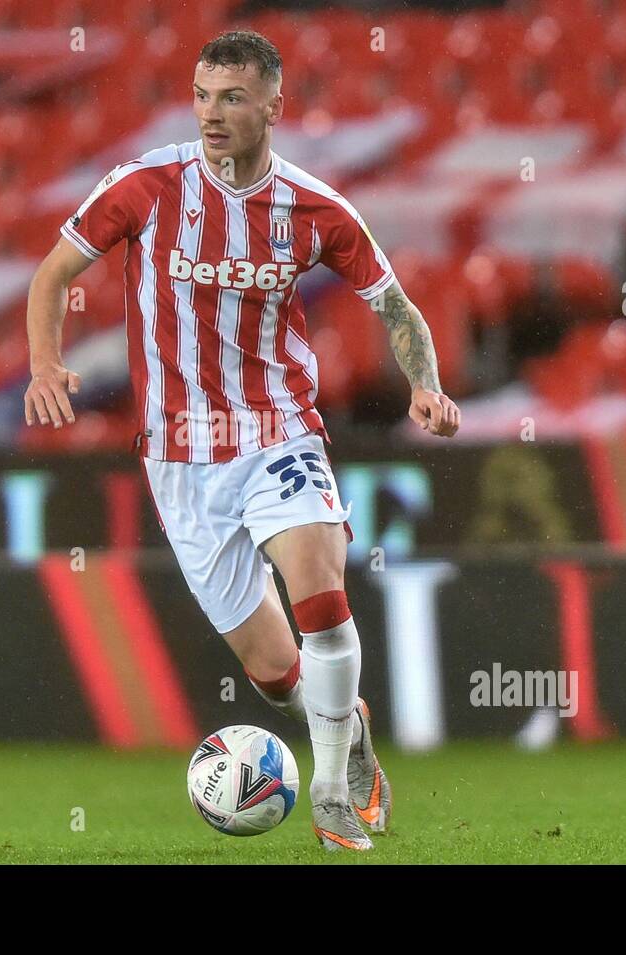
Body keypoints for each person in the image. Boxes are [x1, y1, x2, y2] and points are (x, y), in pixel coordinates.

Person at [24, 29, 459, 851]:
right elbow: (53, 274)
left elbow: (395, 307)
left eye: (230, 97)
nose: (211, 113)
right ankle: (347, 724)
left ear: (272, 105)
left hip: (276, 430)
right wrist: (45, 366)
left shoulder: (316, 209)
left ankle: (333, 791)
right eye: (200, 95)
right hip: (179, 456)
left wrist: (425, 384)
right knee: (272, 671)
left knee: (321, 596)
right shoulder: (146, 186)